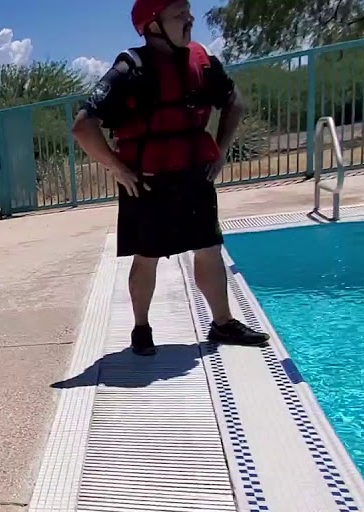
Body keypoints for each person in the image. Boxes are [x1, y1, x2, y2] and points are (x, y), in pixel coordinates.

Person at [71, 0, 270, 356]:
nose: (190, 19)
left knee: (208, 249)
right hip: (146, 182)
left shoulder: (202, 62)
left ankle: (222, 323)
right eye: (179, 14)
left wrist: (221, 149)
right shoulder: (129, 70)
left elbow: (234, 102)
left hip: (194, 174)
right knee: (147, 257)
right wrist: (117, 168)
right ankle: (141, 329)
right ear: (152, 25)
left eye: (188, 12)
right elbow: (83, 126)